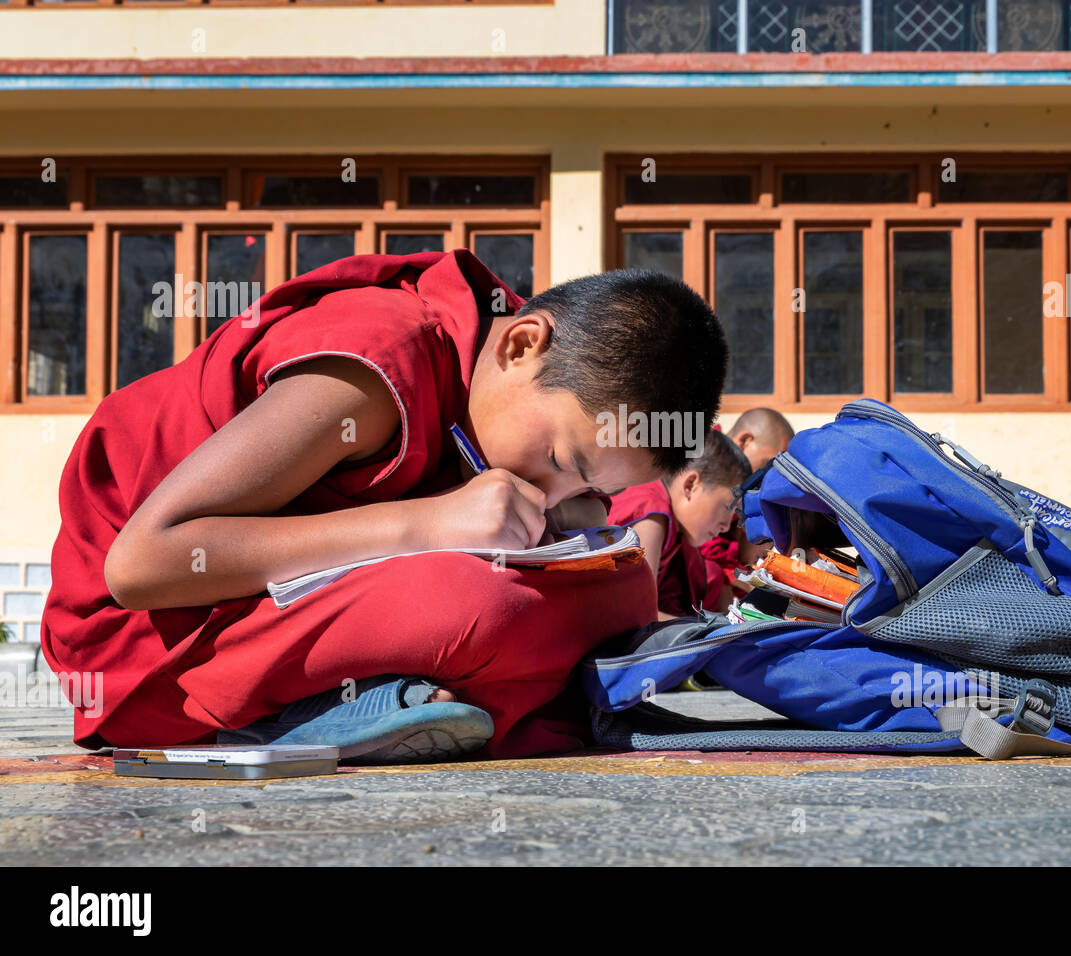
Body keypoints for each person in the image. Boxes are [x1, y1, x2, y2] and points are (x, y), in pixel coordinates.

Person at [40, 251, 728, 762]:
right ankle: (294, 715)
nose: (548, 496)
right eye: (559, 463)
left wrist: (570, 518)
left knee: (627, 586)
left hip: (305, 601)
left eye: (583, 488)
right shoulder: (373, 373)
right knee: (484, 605)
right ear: (523, 344)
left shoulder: (494, 369)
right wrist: (424, 523)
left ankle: (382, 703)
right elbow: (142, 562)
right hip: (153, 641)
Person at [607, 429, 751, 622]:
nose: (726, 526)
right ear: (690, 485)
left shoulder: (673, 524)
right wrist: (711, 629)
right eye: (727, 507)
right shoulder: (652, 516)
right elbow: (636, 616)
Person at [700, 408, 795, 611]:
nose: (766, 478)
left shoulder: (745, 490)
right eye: (765, 465)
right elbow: (707, 554)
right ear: (745, 441)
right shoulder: (700, 462)